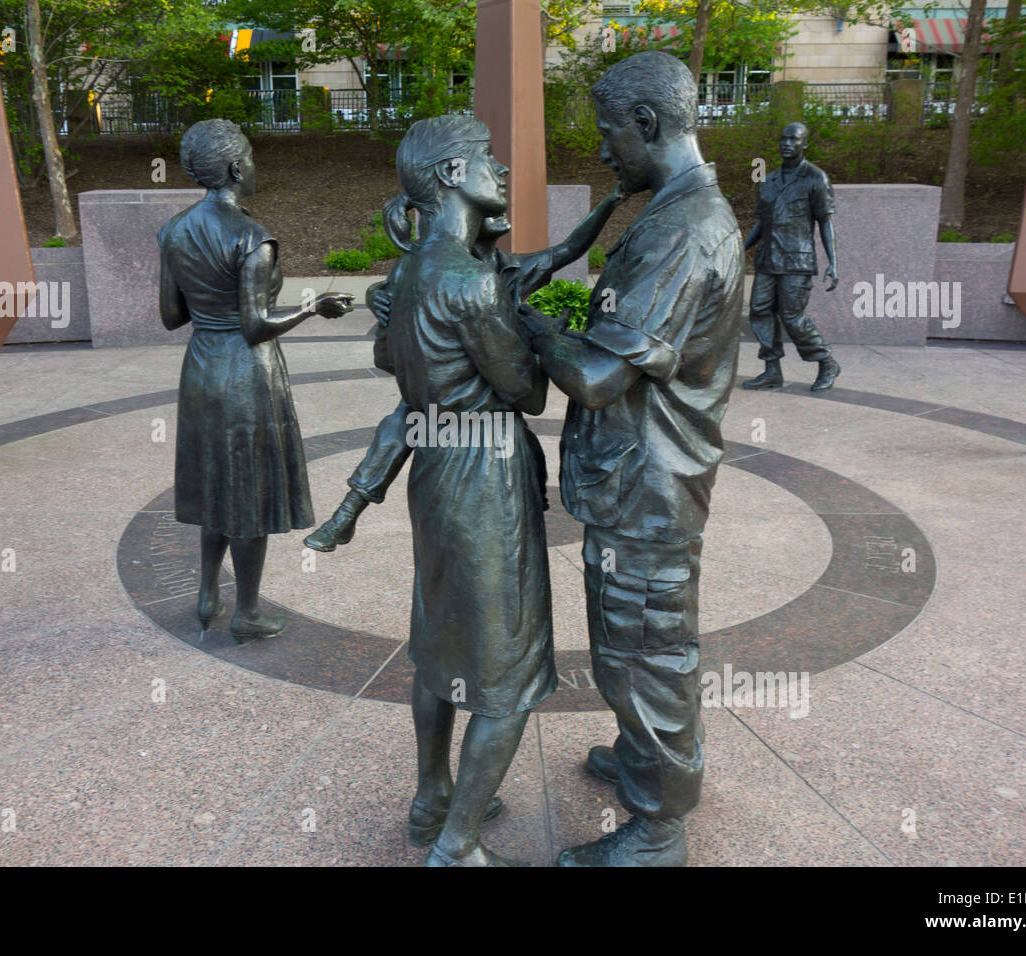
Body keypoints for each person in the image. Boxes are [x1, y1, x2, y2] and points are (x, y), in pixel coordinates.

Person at [518, 51, 744, 866]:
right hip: (635, 483)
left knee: (647, 650)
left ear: (646, 123)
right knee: (630, 645)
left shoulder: (683, 231)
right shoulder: (670, 211)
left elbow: (601, 377)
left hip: (651, 486)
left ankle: (656, 827)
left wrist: (536, 325)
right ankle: (646, 758)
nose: (605, 151)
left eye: (610, 133)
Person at [387, 114, 552, 866]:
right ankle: (455, 846)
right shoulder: (472, 282)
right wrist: (536, 325)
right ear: (453, 176)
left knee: (438, 639)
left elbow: (393, 360)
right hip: (486, 477)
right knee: (504, 672)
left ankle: (431, 796)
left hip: (434, 471)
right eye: (488, 158)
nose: (502, 170)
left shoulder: (411, 270)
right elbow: (524, 390)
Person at [304, 185, 628, 553]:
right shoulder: (443, 267)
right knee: (408, 416)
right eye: (488, 213)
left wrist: (612, 200)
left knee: (487, 431)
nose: (498, 215)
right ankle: (348, 512)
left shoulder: (515, 268)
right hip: (455, 372)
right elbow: (395, 292)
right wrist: (374, 295)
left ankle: (349, 513)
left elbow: (571, 247)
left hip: (495, 370)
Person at [157, 119, 353, 641]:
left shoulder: (175, 230)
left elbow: (171, 316)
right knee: (247, 491)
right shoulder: (251, 237)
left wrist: (210, 309)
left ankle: (206, 594)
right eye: (251, 158)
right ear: (236, 168)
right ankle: (246, 611)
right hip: (245, 374)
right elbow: (255, 326)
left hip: (200, 369)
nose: (255, 167)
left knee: (215, 482)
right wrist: (315, 308)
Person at [742, 121, 841, 391]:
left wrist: (833, 262)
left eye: (793, 140)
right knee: (759, 311)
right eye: (783, 139)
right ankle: (772, 370)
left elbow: (825, 222)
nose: (787, 144)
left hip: (797, 261)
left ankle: (826, 361)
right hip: (767, 259)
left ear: (804, 144)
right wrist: (741, 249)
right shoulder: (768, 180)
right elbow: (762, 223)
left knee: (792, 316)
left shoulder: (815, 178)